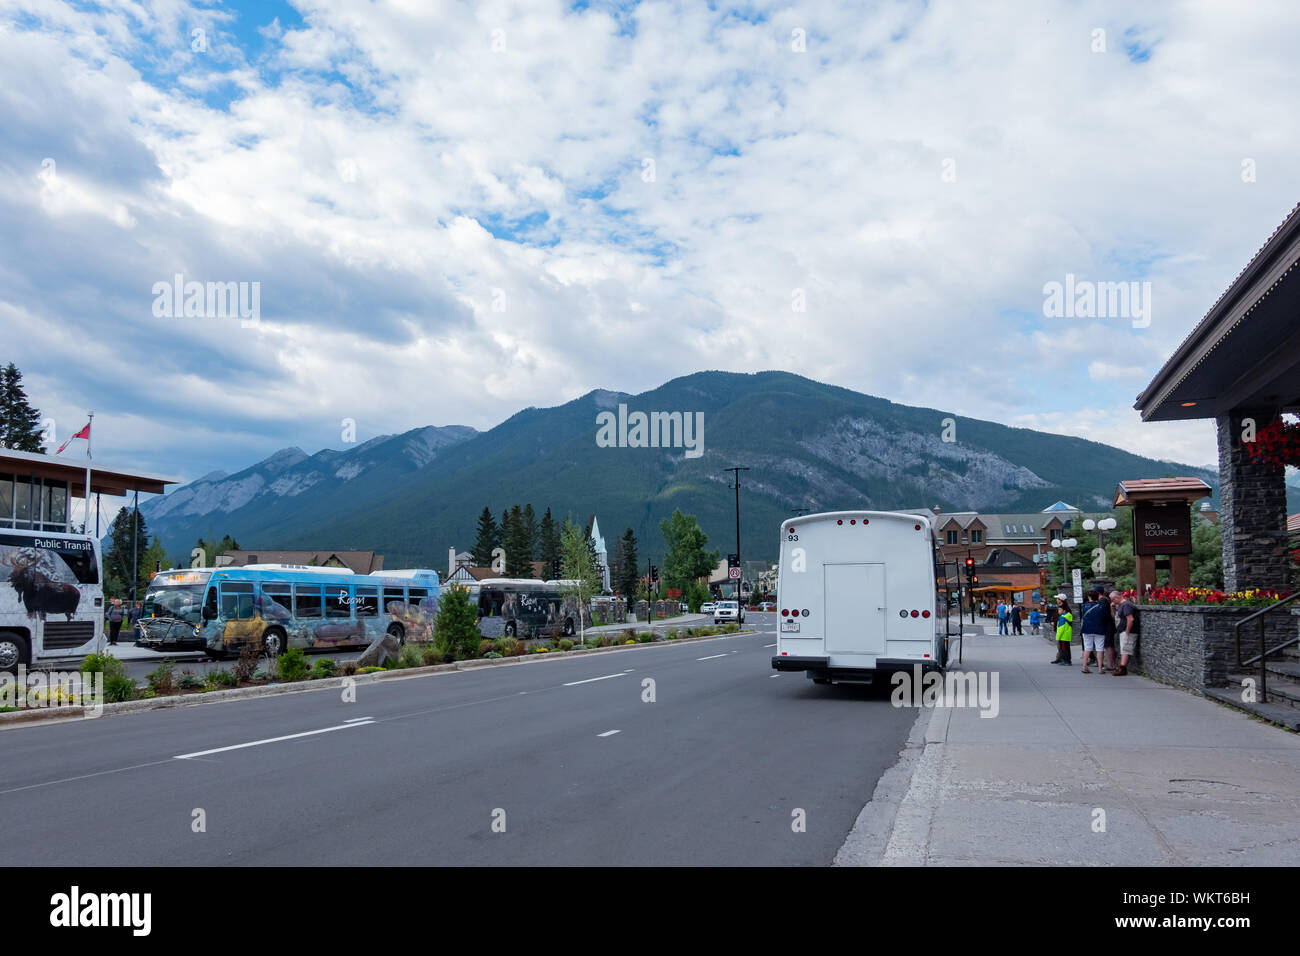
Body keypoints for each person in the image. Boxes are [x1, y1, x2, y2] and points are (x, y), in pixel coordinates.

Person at [1079, 589, 1108, 674]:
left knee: (1087, 648)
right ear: (1098, 596)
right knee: (1100, 648)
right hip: (1099, 629)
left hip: (1087, 629)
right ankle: (1100, 668)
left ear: (1089, 597)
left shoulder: (1084, 606)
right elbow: (1105, 617)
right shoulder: (1101, 606)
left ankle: (1084, 667)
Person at [1111, 590, 1139, 676]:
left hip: (1128, 631)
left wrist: (1127, 631)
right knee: (1124, 649)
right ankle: (1122, 667)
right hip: (1123, 630)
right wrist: (1112, 607)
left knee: (1125, 649)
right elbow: (1115, 616)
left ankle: (1122, 668)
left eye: (1113, 599)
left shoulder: (1126, 605)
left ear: (1117, 597)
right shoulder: (1121, 606)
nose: (1113, 602)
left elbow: (1130, 619)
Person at [1052, 596, 1073, 664]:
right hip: (1067, 635)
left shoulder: (1062, 617)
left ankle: (1065, 660)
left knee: (1063, 648)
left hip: (1062, 636)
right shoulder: (1068, 615)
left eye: (1059, 610)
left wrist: (1058, 636)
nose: (1058, 611)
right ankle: (1067, 660)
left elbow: (1061, 628)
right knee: (1066, 648)